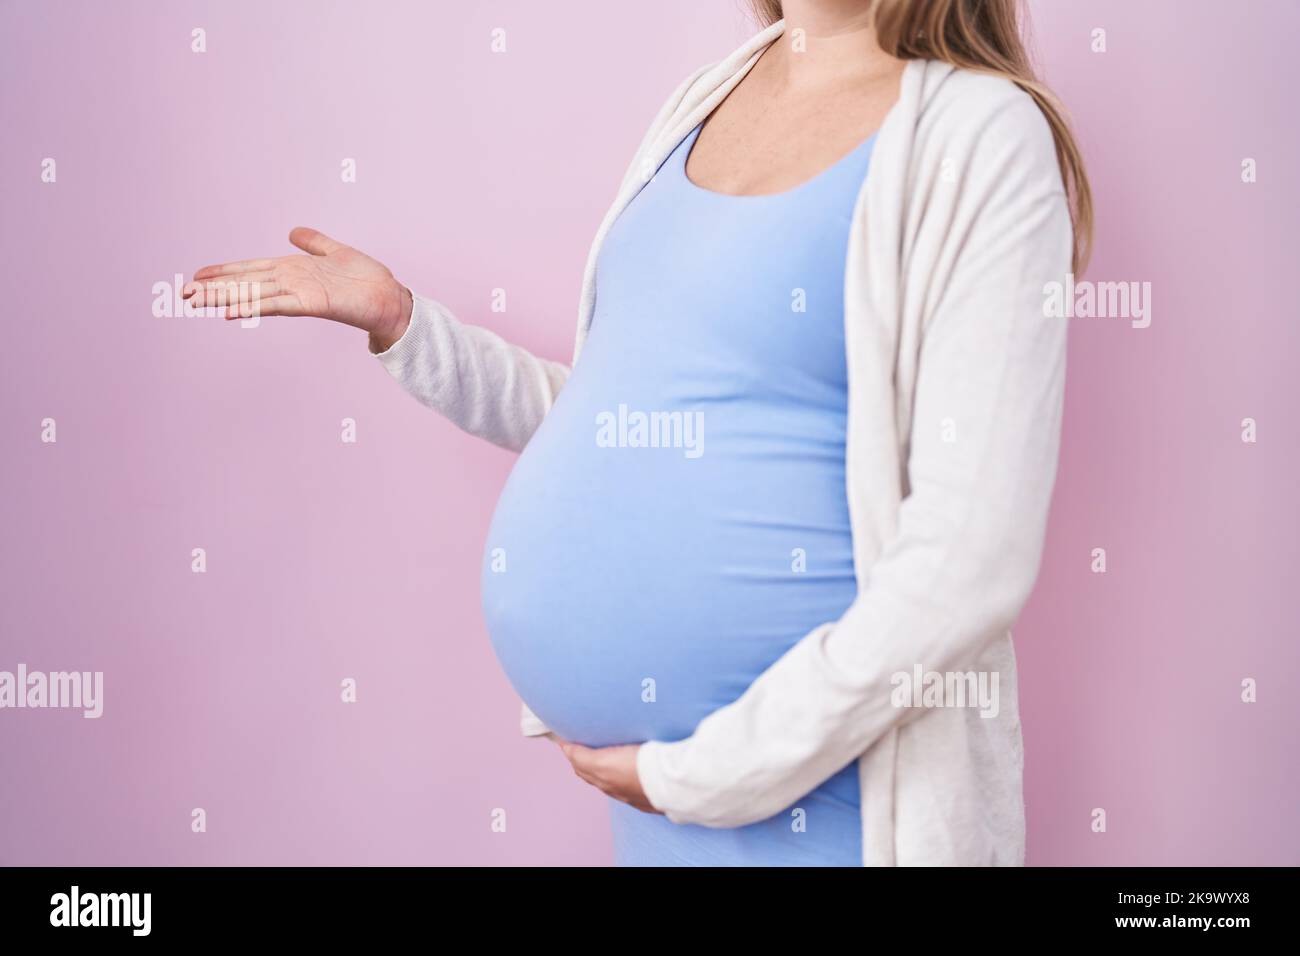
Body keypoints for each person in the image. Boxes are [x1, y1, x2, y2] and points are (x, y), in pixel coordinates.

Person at [183, 0, 1091, 866]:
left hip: (839, 811)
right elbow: (628, 429)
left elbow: (971, 560)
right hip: (658, 816)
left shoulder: (981, 136)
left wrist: (709, 773)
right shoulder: (708, 99)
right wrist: (406, 326)